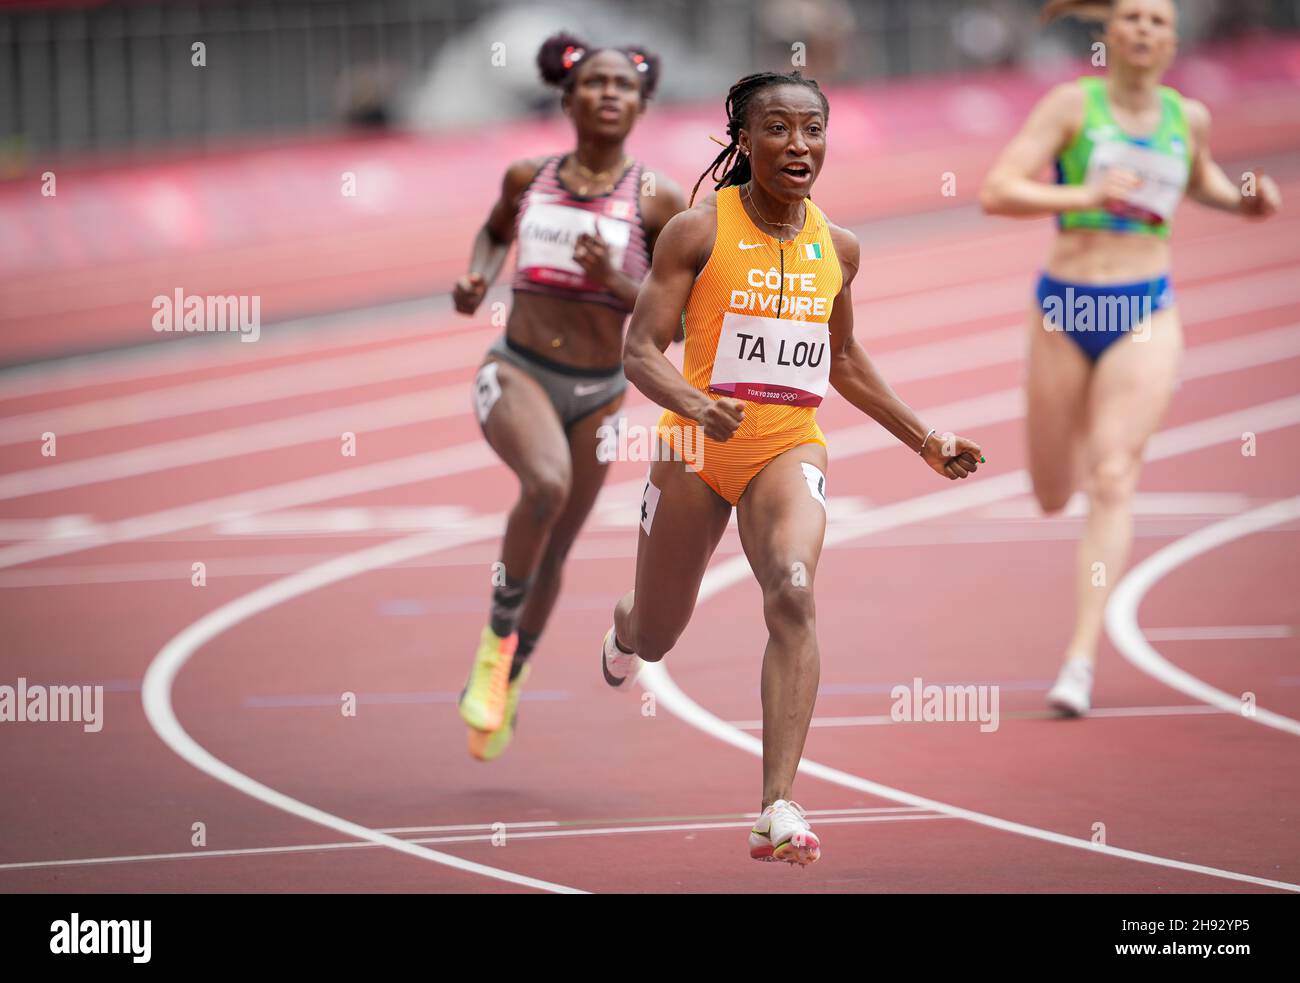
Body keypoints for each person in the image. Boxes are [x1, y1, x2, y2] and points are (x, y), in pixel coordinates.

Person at [600, 70, 984, 865]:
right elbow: (640, 350)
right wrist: (696, 402)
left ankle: (776, 803)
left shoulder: (838, 247)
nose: (798, 144)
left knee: (794, 590)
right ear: (745, 139)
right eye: (777, 128)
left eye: (812, 129)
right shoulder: (696, 231)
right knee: (659, 635)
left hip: (786, 445)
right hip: (693, 446)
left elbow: (842, 359)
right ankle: (629, 621)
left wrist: (925, 438)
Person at [979, 0, 1281, 716]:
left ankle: (1079, 660)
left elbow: (1200, 179)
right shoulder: (1072, 105)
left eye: (1158, 21)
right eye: (1133, 17)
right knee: (1053, 492)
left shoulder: (1186, 116)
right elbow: (996, 190)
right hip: (1065, 309)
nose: (1145, 29)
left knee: (1114, 474)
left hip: (1145, 308)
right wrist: (1084, 191)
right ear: (1109, 34)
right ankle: (1083, 428)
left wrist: (1244, 199)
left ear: (1173, 42)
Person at [452, 32, 687, 760]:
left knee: (555, 550)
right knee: (545, 485)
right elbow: (492, 234)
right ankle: (494, 644)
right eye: (595, 82)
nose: (609, 93)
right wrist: (477, 276)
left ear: (641, 105)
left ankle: (511, 676)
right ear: (567, 98)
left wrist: (614, 281)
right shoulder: (528, 176)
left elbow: (679, 325)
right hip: (518, 370)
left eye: (623, 86)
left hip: (599, 395)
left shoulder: (659, 200)